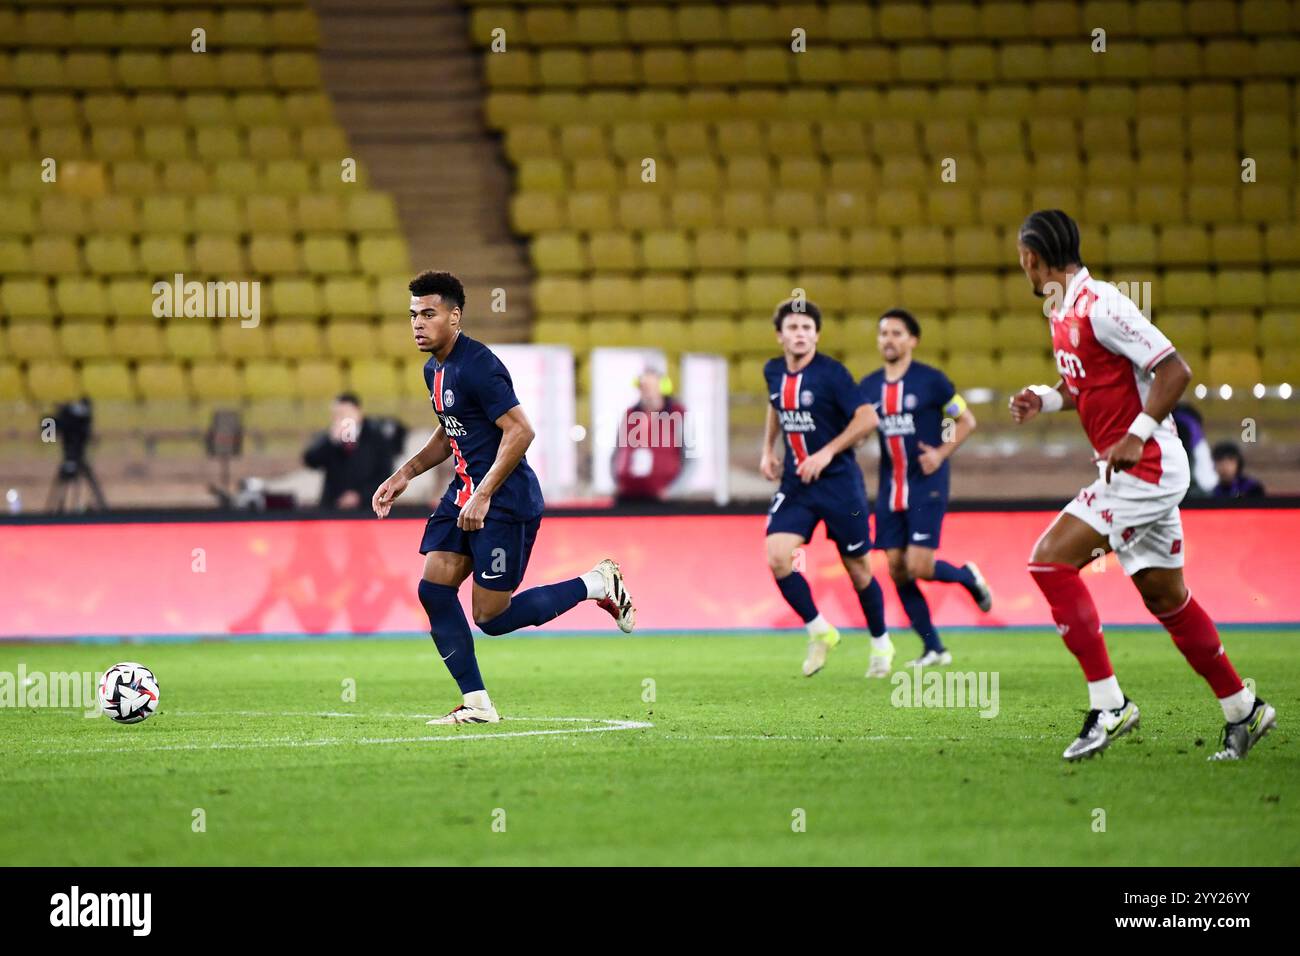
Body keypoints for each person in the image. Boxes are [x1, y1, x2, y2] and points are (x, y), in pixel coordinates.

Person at [1008, 209, 1275, 762]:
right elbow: (1086, 384)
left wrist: (1136, 434)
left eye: (1022, 259)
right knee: (1166, 598)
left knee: (1049, 562)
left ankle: (1110, 705)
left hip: (1147, 468)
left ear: (1032, 258)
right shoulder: (1063, 311)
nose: (1022, 268)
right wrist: (1046, 399)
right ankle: (1244, 709)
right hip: (1130, 470)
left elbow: (1175, 370)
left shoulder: (1103, 304)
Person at [372, 271, 635, 724]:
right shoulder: (434, 369)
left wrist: (484, 494)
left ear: (455, 317)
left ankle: (596, 584)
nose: (418, 323)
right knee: (434, 590)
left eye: (429, 314)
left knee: (491, 617)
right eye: (413, 315)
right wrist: (405, 473)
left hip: (505, 499)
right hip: (464, 493)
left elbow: (521, 430)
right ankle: (477, 704)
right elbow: (450, 429)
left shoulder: (479, 365)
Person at [760, 298, 892, 678]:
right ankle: (820, 630)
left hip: (839, 484)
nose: (800, 334)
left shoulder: (832, 374)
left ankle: (881, 643)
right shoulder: (773, 371)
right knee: (777, 555)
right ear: (780, 335)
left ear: (816, 335)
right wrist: (768, 449)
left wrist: (826, 452)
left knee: (859, 570)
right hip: (797, 483)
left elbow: (868, 418)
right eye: (793, 327)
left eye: (807, 328)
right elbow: (775, 405)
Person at [859, 309, 993, 670]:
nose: (889, 339)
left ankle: (967, 577)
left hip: (926, 484)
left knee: (919, 565)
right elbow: (860, 430)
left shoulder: (932, 381)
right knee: (897, 568)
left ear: (913, 340)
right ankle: (934, 648)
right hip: (890, 488)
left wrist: (941, 453)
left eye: (897, 333)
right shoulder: (868, 388)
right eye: (884, 333)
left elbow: (966, 420)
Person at [303, 393, 404, 509]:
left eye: (345, 414)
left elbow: (385, 474)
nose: (342, 419)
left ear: (358, 412)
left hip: (367, 508)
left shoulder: (377, 437)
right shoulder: (329, 438)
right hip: (333, 507)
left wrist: (360, 496)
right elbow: (310, 460)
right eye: (337, 415)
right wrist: (330, 441)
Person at [612, 367, 686, 502]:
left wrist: (673, 491)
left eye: (651, 387)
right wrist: (617, 482)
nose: (646, 391)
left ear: (662, 388)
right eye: (643, 387)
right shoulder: (630, 414)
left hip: (663, 499)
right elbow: (616, 453)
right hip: (629, 495)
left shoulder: (678, 414)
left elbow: (691, 458)